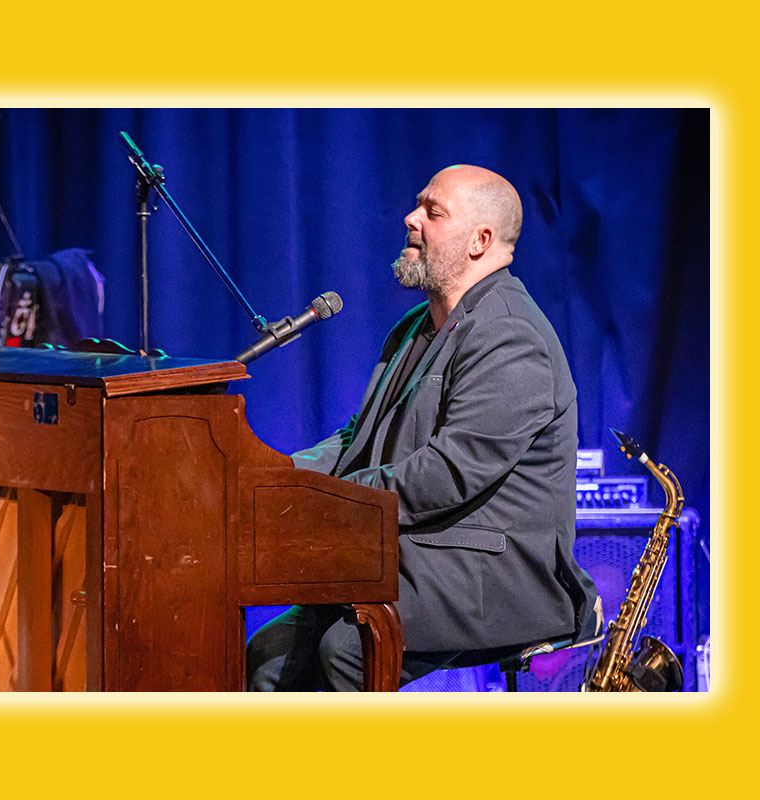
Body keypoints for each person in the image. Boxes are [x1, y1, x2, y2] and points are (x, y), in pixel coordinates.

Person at [246, 165, 600, 691]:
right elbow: (359, 438)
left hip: (492, 568)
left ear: (480, 241)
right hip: (420, 548)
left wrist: (327, 502)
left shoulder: (509, 333)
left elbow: (449, 473)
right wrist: (275, 476)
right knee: (268, 655)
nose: (411, 219)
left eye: (433, 212)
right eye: (418, 206)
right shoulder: (413, 329)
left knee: (347, 650)